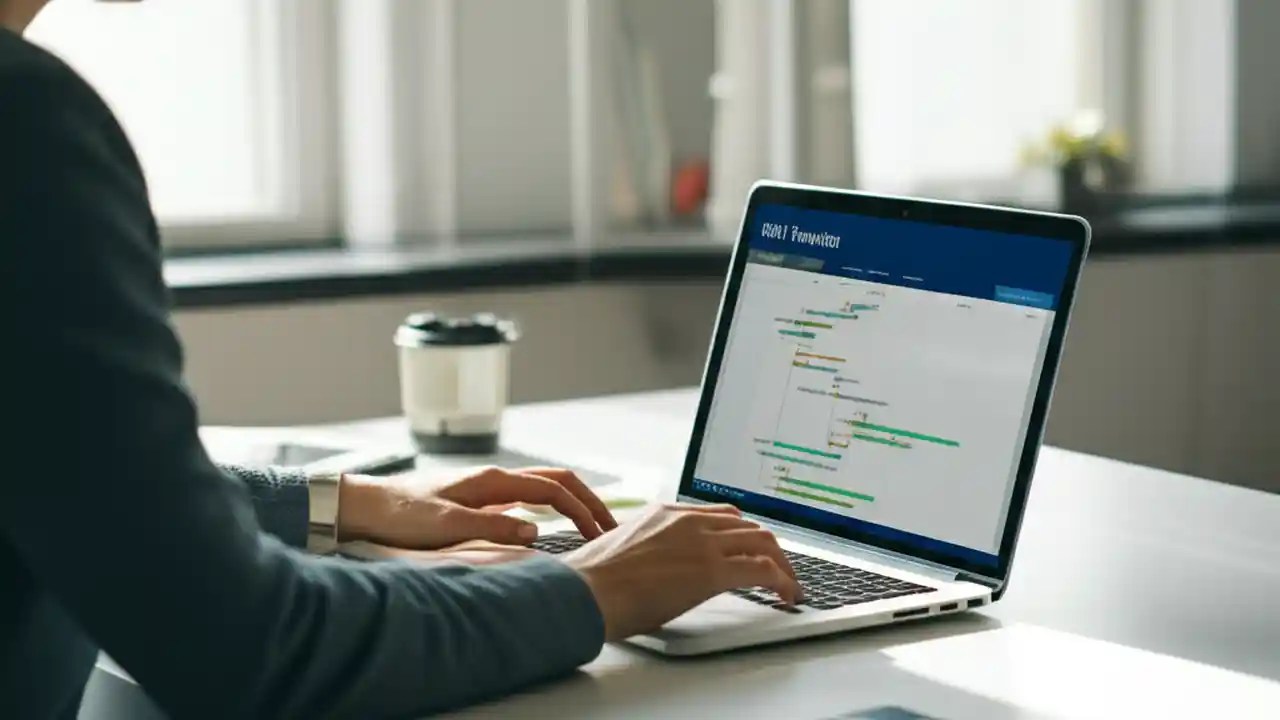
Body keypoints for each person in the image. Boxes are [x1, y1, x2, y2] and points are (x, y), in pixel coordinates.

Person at [0, 1, 802, 718]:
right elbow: (250, 645)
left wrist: (345, 504)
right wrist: (596, 586)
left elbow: (77, 485)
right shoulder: (27, 122)